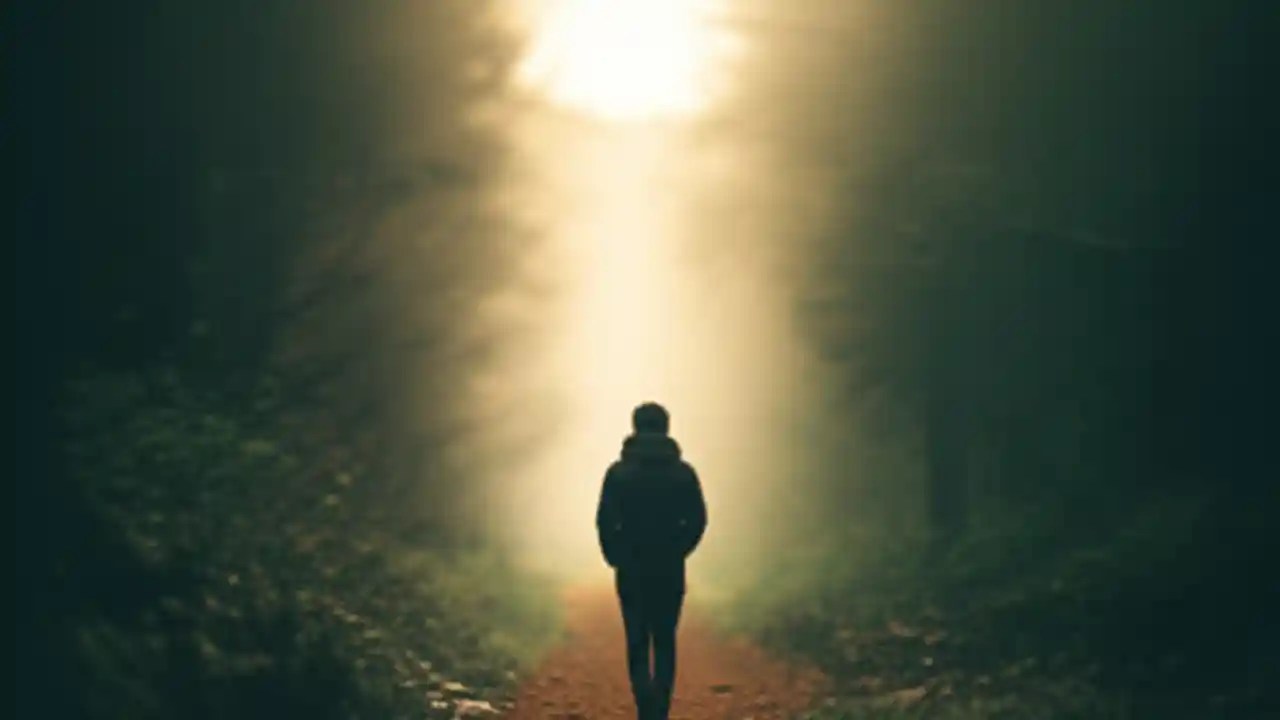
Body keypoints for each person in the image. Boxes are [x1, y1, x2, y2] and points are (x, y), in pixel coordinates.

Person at [596, 402, 707, 720]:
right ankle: (661, 707)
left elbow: (604, 520)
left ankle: (645, 703)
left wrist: (614, 555)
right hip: (670, 566)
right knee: (665, 637)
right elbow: (698, 519)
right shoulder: (683, 473)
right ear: (666, 428)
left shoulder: (618, 472)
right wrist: (680, 549)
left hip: (630, 566)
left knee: (636, 637)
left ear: (635, 427)